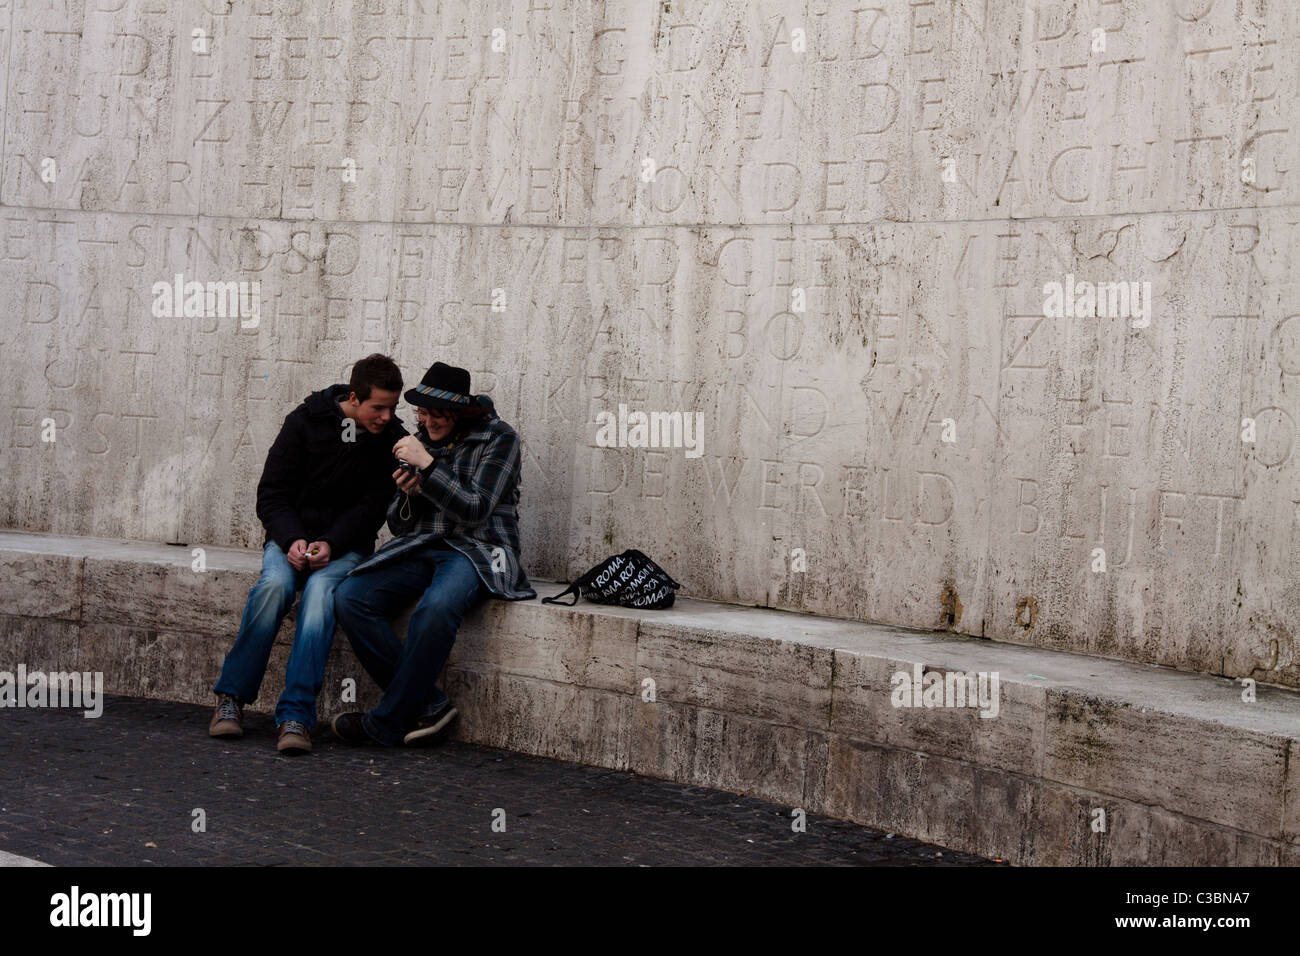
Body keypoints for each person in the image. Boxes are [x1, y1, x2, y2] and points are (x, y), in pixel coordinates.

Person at [209, 354, 407, 755]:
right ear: (353, 397)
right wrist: (292, 540)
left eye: (393, 407)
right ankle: (231, 700)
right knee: (274, 587)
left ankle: (295, 715)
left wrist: (331, 543)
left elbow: (371, 509)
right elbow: (272, 494)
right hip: (289, 541)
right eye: (379, 407)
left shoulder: (389, 441)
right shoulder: (304, 421)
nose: (387, 416)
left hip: (345, 548)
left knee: (319, 598)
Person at [331, 361, 535, 747]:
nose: (427, 422)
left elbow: (476, 508)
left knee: (437, 607)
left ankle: (386, 724)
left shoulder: (500, 439)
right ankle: (429, 704)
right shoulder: (420, 437)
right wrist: (409, 494)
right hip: (423, 545)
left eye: (437, 414)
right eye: (422, 413)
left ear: (460, 412)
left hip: (480, 550)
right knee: (350, 597)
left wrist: (428, 465)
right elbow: (399, 526)